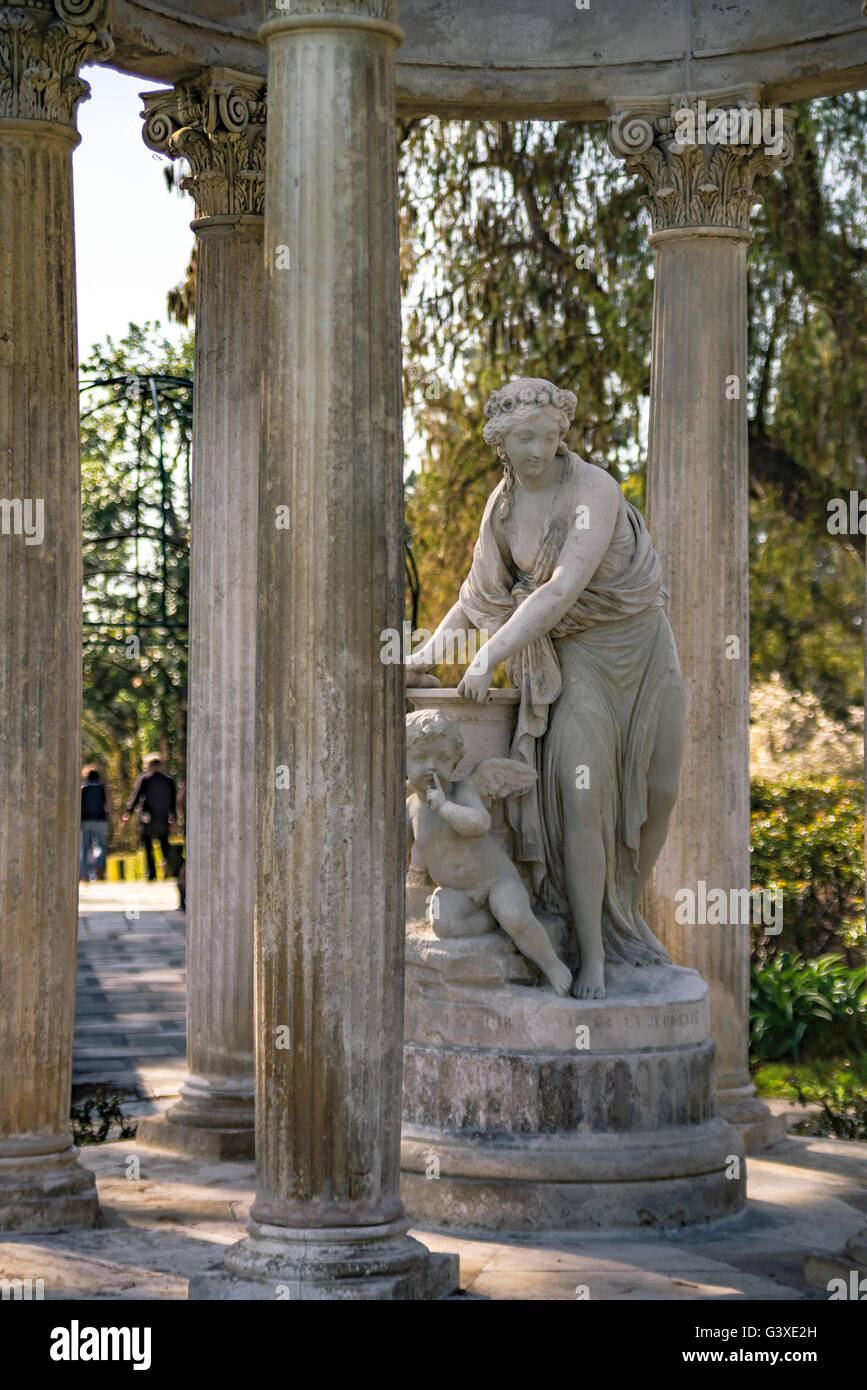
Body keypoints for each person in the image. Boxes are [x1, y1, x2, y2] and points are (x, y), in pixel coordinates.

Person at [407, 377, 685, 1000]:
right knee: (585, 798)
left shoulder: (594, 489)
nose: (537, 450)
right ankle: (591, 955)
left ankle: (624, 924)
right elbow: (476, 598)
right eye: (522, 438)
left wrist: (488, 659)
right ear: (501, 443)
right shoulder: (502, 508)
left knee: (660, 791)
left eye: (548, 436)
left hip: (641, 647)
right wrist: (425, 657)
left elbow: (560, 588)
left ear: (564, 436)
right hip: (576, 659)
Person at [123, 755, 177, 882]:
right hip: (163, 818)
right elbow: (173, 801)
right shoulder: (168, 780)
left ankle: (151, 873)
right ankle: (166, 867)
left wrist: (128, 813)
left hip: (147, 818)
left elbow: (136, 797)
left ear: (148, 765)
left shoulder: (145, 779)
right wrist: (173, 816)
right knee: (164, 845)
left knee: (148, 847)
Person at [80, 766, 112, 882]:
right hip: (100, 820)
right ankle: (99, 866)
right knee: (101, 846)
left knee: (85, 848)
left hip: (86, 820)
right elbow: (109, 804)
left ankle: (85, 875)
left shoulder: (83, 788)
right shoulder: (103, 788)